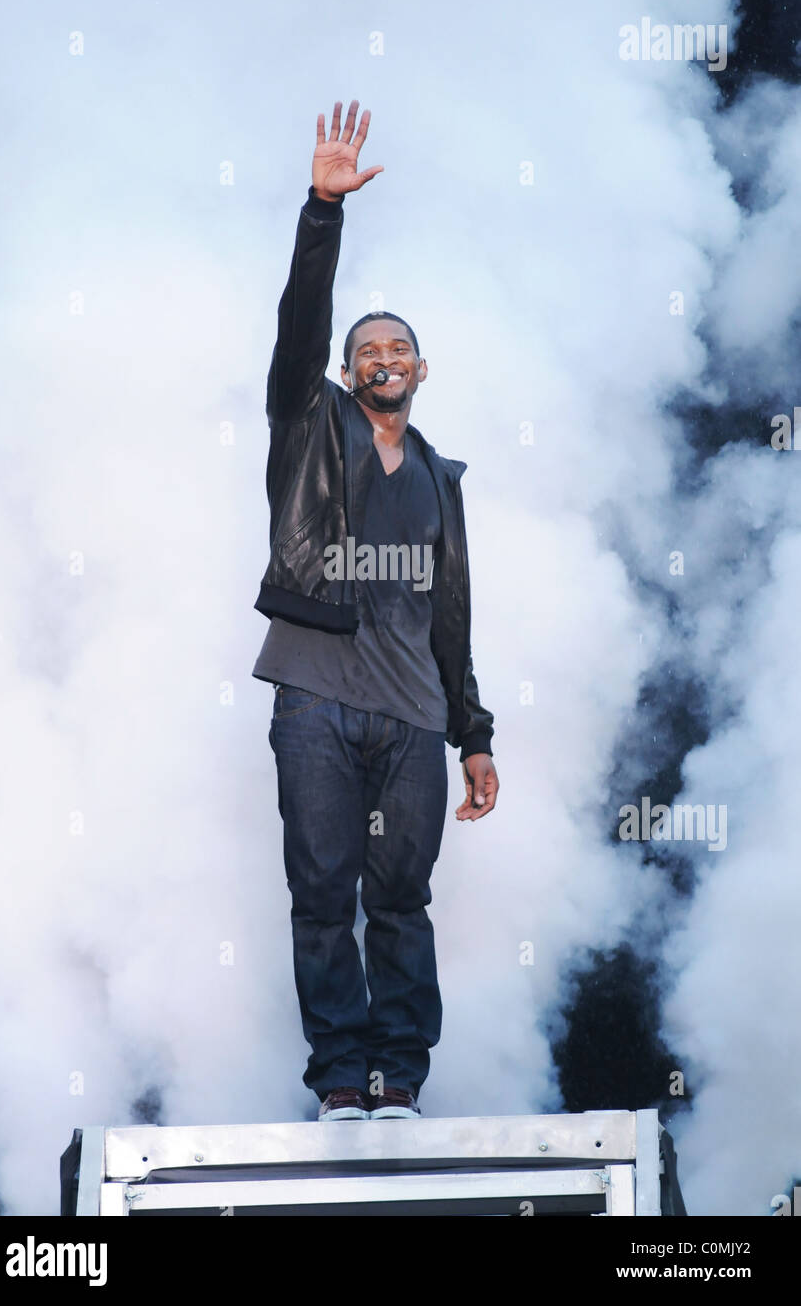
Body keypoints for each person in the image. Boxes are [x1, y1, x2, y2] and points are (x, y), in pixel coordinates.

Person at [253, 99, 499, 1122]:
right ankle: (340, 1080)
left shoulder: (440, 478)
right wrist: (322, 208)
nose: (381, 354)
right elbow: (300, 318)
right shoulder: (307, 424)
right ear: (349, 369)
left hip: (409, 718)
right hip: (314, 697)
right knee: (321, 898)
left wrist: (472, 734)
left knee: (399, 900)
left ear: (421, 368)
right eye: (367, 346)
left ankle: (399, 1074)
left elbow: (453, 619)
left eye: (399, 345)